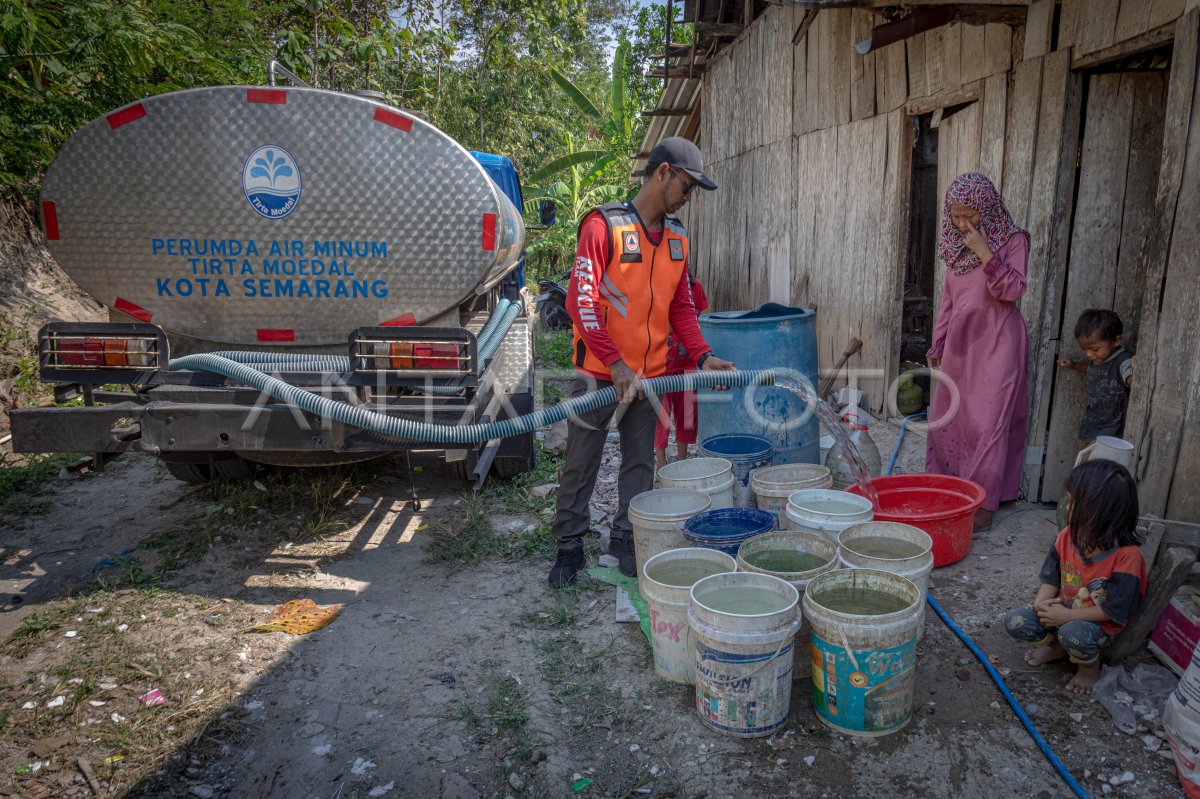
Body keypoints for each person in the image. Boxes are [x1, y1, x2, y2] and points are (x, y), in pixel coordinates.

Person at [548, 137, 735, 588]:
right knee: (582, 460)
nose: (688, 199)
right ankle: (569, 545)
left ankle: (625, 537)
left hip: (649, 376)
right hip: (600, 374)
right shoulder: (603, 226)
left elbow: (681, 308)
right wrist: (613, 363)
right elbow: (581, 302)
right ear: (663, 173)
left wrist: (702, 354)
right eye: (686, 187)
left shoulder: (677, 238)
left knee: (639, 463)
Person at [926, 172, 1029, 533]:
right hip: (960, 343)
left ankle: (983, 503)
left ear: (987, 208)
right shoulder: (954, 247)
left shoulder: (1013, 240)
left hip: (998, 341)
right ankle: (949, 488)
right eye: (955, 215)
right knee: (949, 414)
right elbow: (949, 301)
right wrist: (938, 341)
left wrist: (985, 252)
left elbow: (1013, 291)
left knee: (990, 420)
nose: (962, 223)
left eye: (970, 215)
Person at [1002, 459, 1145, 694]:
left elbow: (1115, 612)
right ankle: (1057, 647)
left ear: (1098, 511)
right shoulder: (1067, 536)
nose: (1067, 507)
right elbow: (1051, 577)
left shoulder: (1128, 557)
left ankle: (1089, 668)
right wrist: (1041, 603)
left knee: (1074, 633)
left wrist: (1067, 616)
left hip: (1097, 625)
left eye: (1074, 502)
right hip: (1064, 610)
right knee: (1016, 620)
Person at [654, 269, 709, 471]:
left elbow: (697, 319)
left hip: (687, 365)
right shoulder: (655, 287)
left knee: (687, 417)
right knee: (661, 417)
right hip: (660, 368)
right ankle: (661, 464)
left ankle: (682, 463)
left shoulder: (696, 287)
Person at [1056, 309, 1135, 440]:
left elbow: (1131, 379)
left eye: (1094, 349)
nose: (1088, 354)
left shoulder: (1123, 360)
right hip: (1095, 422)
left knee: (1092, 458)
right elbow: (1092, 370)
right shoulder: (1099, 359)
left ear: (1116, 341)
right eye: (1083, 349)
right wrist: (1074, 365)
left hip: (1113, 426)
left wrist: (1135, 374)